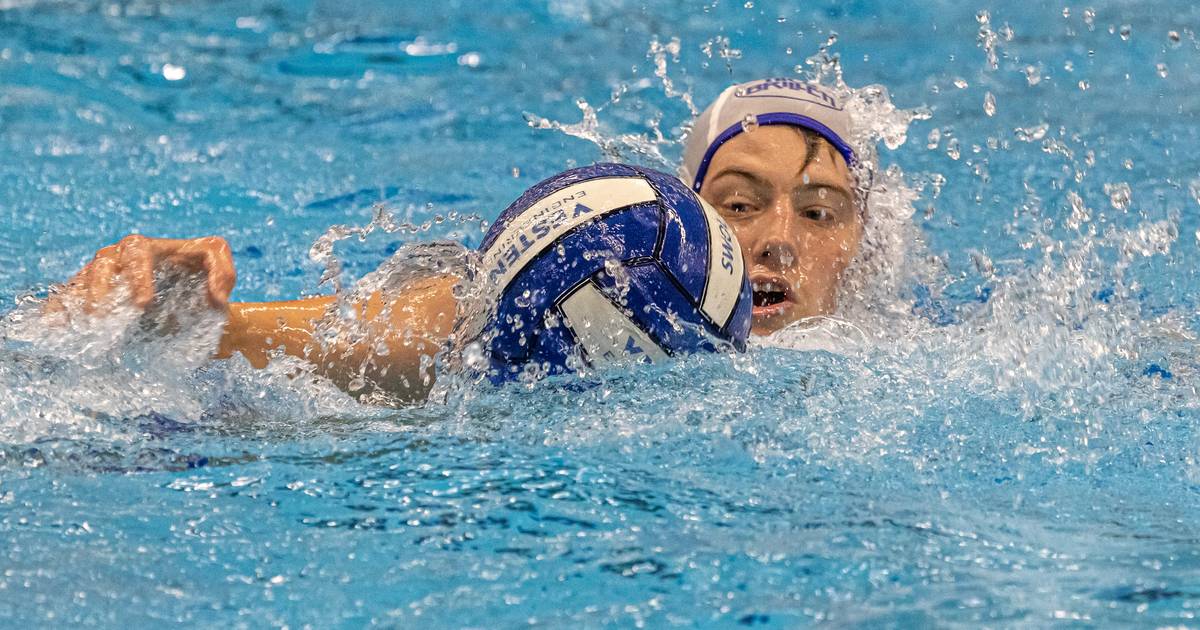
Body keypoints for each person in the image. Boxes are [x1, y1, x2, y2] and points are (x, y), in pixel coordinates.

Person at [44, 78, 864, 402]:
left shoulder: (912, 358)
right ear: (690, 219)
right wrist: (173, 316)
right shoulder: (543, 293)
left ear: (863, 244)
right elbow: (341, 344)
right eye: (740, 204)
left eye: (820, 211)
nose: (780, 242)